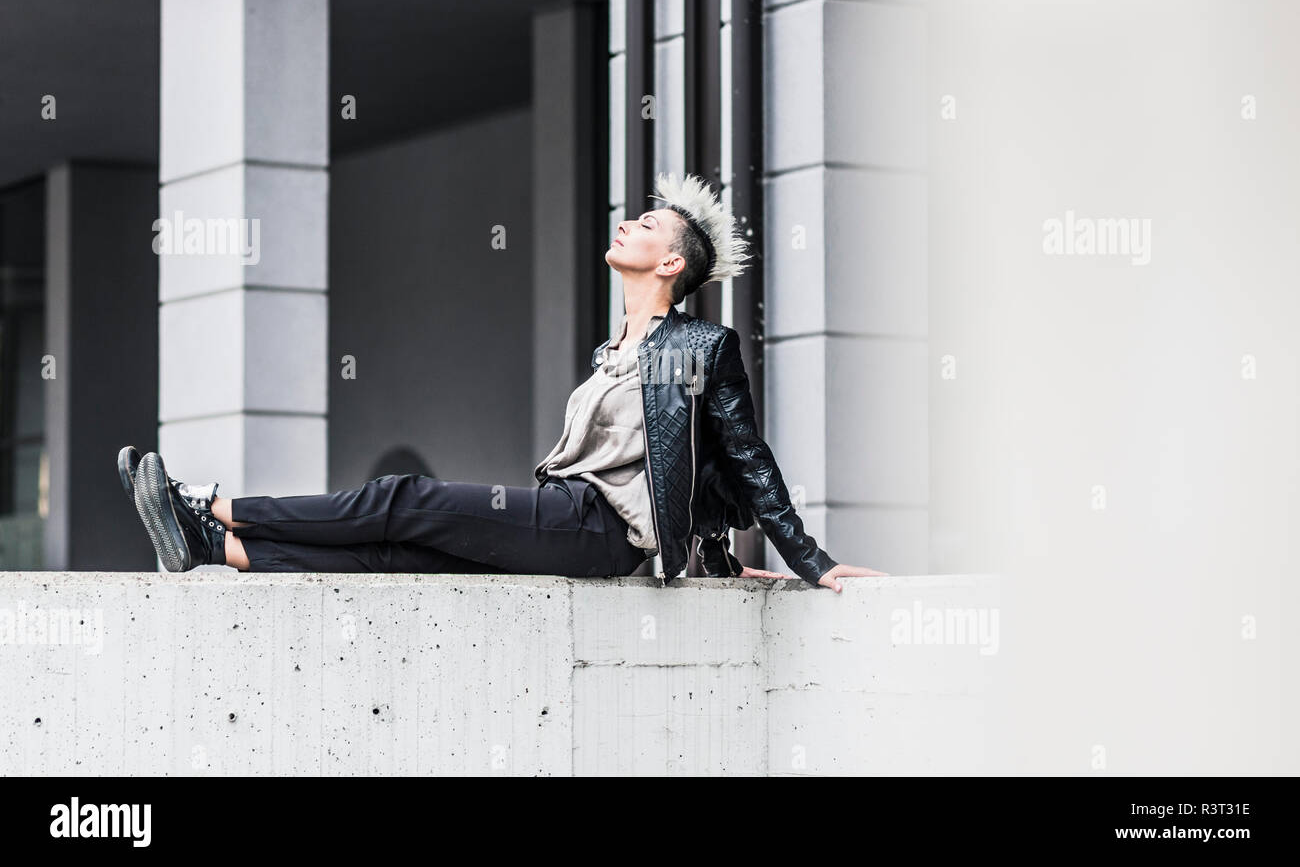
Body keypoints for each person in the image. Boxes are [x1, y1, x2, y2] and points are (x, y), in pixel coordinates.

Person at [122, 172, 885, 592]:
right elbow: (689, 473)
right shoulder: (608, 353)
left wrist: (809, 559)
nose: (628, 226)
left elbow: (744, 459)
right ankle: (210, 548)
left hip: (599, 531)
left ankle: (211, 503)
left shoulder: (696, 345)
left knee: (402, 497)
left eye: (646, 226)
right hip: (569, 512)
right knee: (400, 551)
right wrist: (718, 558)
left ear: (671, 263)